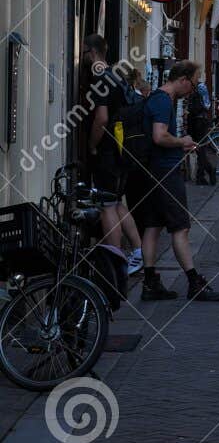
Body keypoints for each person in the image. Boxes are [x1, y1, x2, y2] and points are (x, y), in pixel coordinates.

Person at [130, 60, 219, 303]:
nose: (192, 91)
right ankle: (194, 282)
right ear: (183, 79)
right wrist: (182, 142)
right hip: (165, 174)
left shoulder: (155, 98)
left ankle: (150, 284)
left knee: (152, 226)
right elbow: (160, 136)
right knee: (180, 227)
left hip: (151, 172)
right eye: (192, 85)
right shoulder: (163, 101)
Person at [79, 35, 144, 273]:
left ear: (92, 52)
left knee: (107, 206)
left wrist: (93, 145)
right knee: (117, 203)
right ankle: (138, 251)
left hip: (108, 151)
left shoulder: (100, 78)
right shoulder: (116, 75)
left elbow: (102, 118)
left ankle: (115, 262)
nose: (82, 58)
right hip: (123, 149)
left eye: (83, 52)